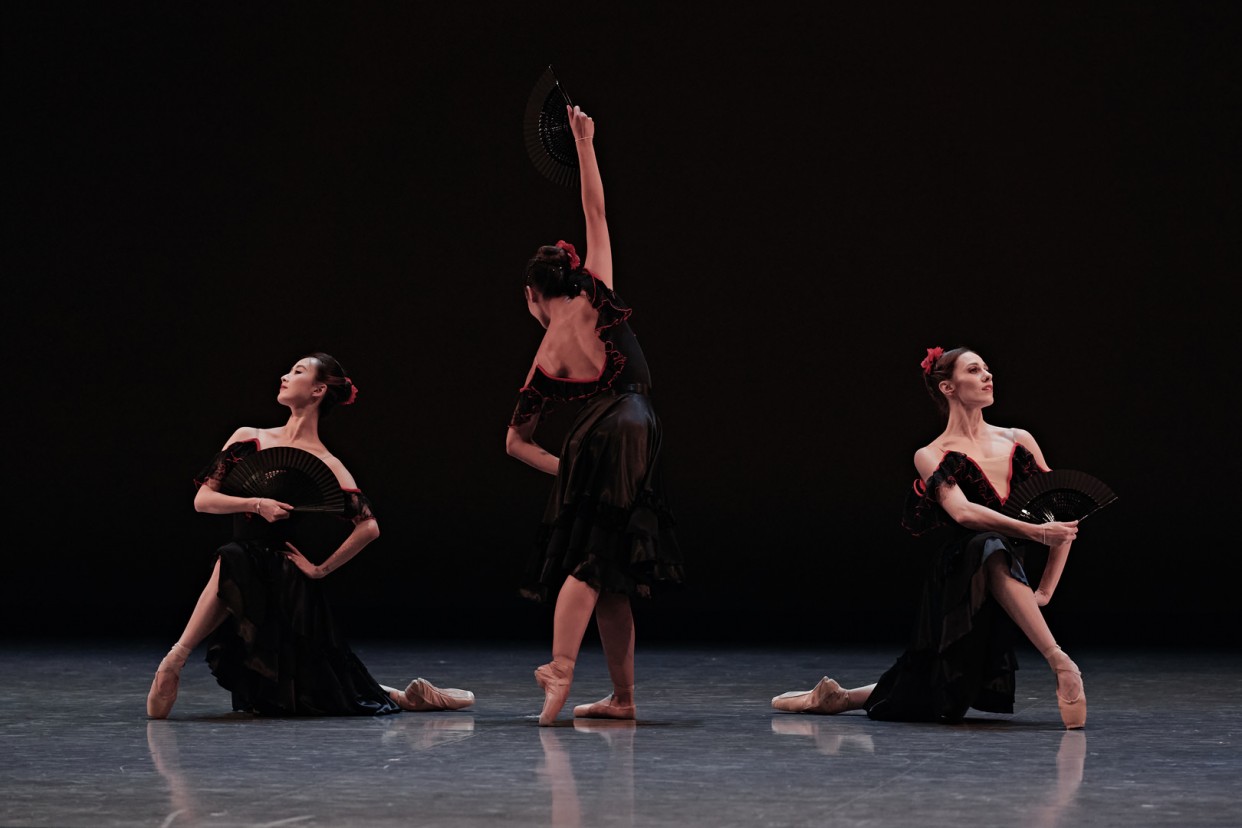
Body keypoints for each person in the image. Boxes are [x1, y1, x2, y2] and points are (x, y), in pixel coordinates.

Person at [771, 346, 1087, 729]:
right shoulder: (931, 453)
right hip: (961, 576)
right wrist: (1036, 532)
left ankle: (839, 698)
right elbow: (964, 513)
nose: (988, 375)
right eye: (975, 370)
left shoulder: (1019, 440)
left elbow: (1063, 519)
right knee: (987, 544)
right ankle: (1061, 663)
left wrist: (1046, 592)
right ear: (948, 387)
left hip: (1012, 576)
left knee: (932, 683)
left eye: (987, 369)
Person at [146, 352, 474, 718]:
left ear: (318, 390)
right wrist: (257, 504)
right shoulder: (248, 437)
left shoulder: (327, 462)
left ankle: (404, 697)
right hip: (244, 569)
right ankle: (173, 662)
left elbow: (369, 527)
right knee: (235, 555)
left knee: (323, 687)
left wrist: (320, 569)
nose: (284, 376)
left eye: (297, 371)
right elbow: (203, 500)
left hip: (286, 583)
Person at [506, 105, 684, 726]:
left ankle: (581, 676)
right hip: (635, 424)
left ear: (531, 295)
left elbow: (514, 442)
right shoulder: (595, 293)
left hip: (597, 437)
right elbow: (596, 212)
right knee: (605, 569)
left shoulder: (542, 360)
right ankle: (604, 688)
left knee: (597, 560)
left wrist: (566, 469)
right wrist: (585, 144)